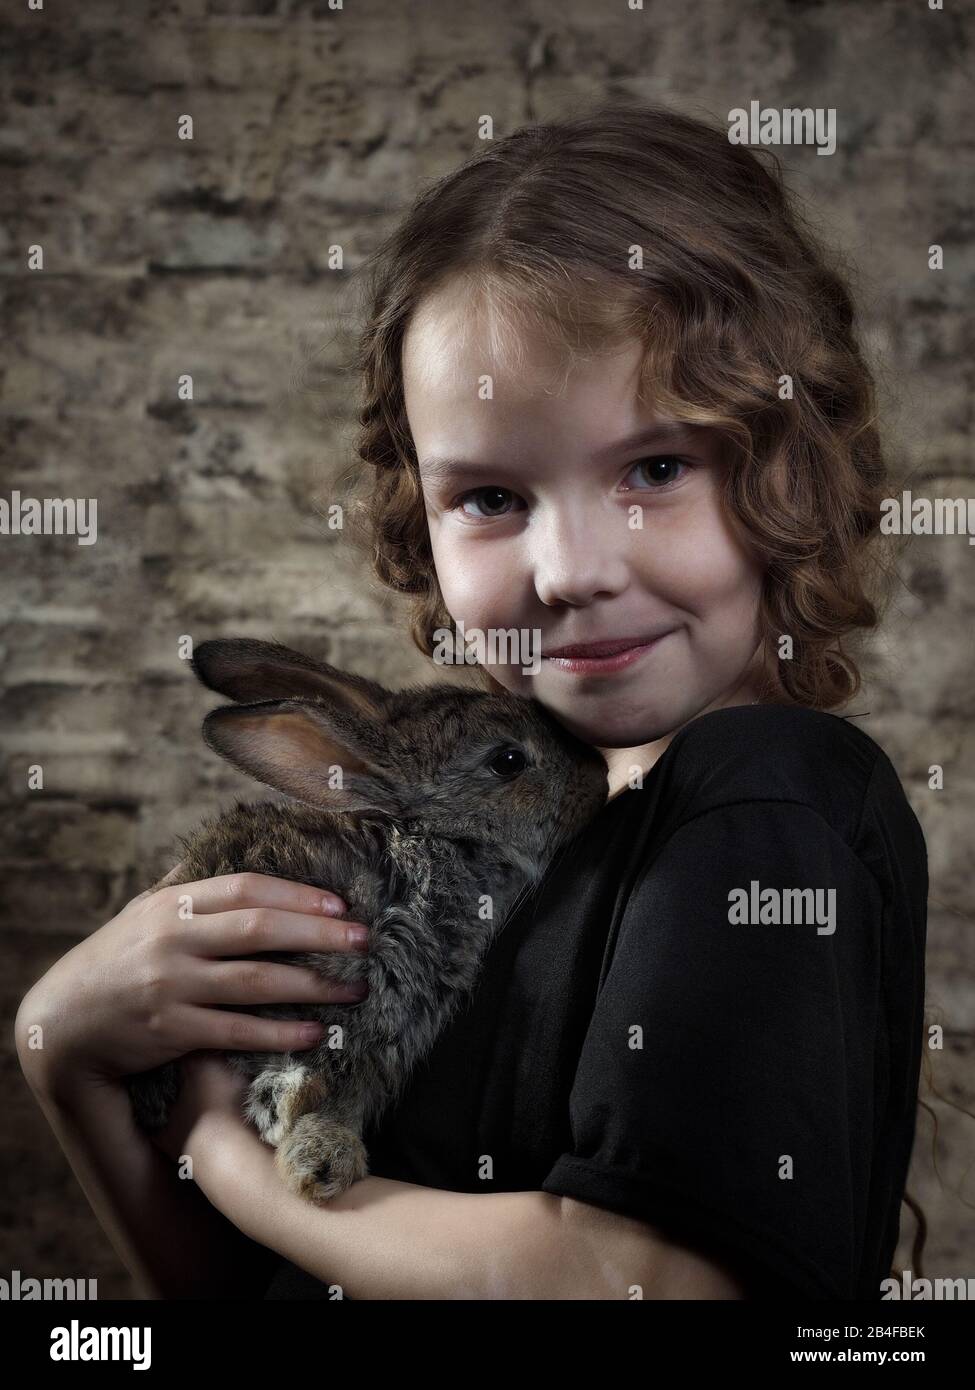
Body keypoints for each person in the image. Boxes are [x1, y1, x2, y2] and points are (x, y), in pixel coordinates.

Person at [16, 101, 928, 1300]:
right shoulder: (500, 839)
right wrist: (66, 1053)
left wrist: (226, 1158)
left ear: (785, 468)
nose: (570, 569)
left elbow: (624, 1279)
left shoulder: (766, 799)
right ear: (422, 520)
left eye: (655, 468)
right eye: (491, 497)